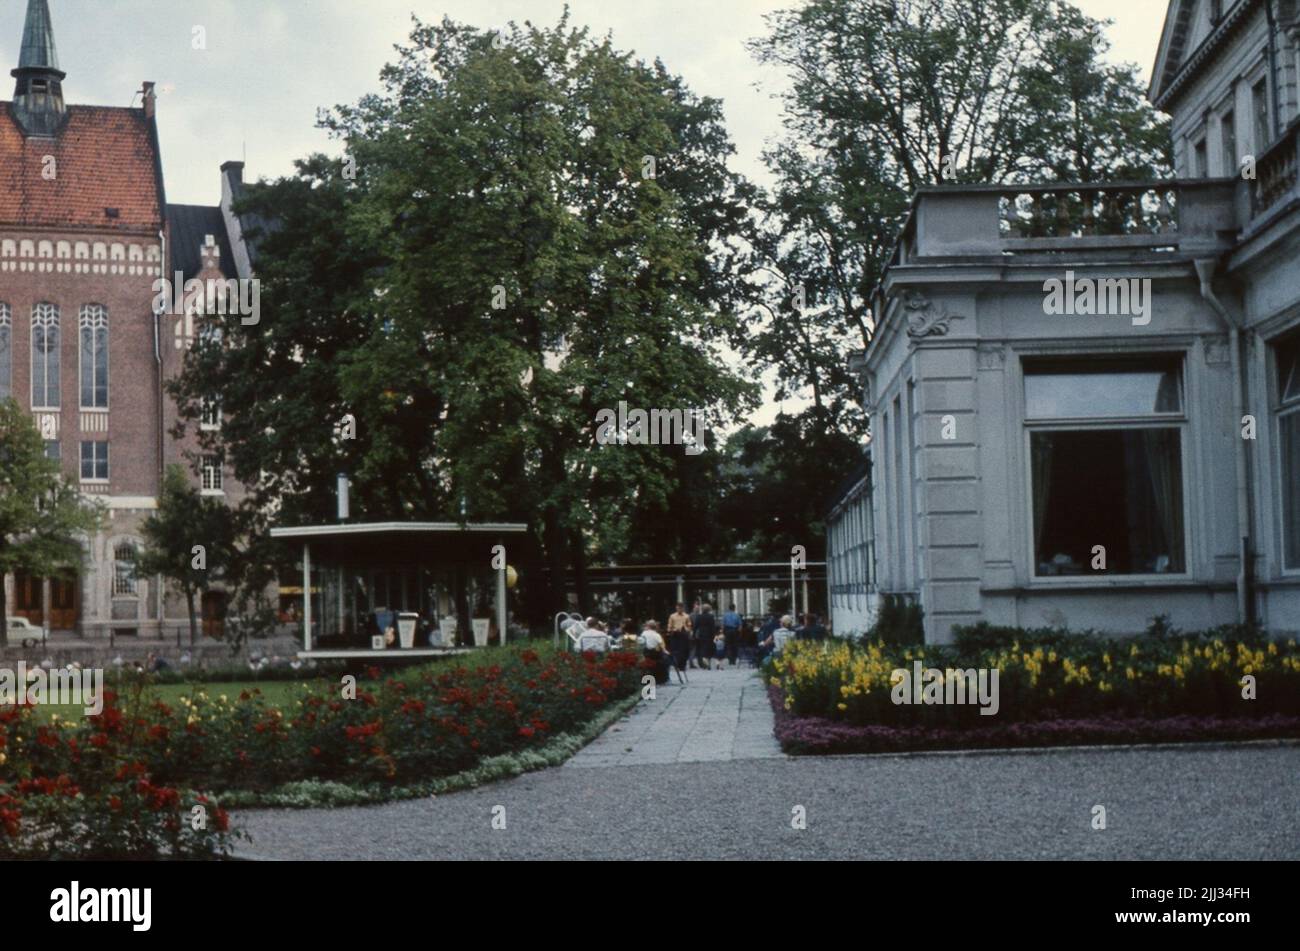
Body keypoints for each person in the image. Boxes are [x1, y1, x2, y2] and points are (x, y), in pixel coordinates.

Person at [639, 620, 670, 684]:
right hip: (655, 654)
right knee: (666, 659)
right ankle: (663, 678)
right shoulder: (656, 635)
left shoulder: (643, 633)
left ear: (648, 626)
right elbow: (661, 645)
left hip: (645, 653)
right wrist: (665, 651)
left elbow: (641, 643)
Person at [667, 602, 693, 672]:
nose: (679, 609)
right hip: (675, 634)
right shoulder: (672, 616)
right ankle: (677, 665)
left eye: (681, 608)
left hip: (684, 634)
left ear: (683, 608)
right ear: (676, 608)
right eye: (678, 608)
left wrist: (687, 631)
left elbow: (689, 625)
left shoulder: (686, 616)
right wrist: (671, 630)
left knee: (684, 650)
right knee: (676, 651)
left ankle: (682, 665)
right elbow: (669, 625)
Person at [692, 603, 717, 670]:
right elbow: (713, 627)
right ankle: (707, 663)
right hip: (709, 635)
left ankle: (704, 662)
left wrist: (694, 634)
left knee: (701, 649)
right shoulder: (711, 617)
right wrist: (714, 635)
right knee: (708, 649)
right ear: (709, 610)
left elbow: (695, 627)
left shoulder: (699, 617)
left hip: (701, 635)